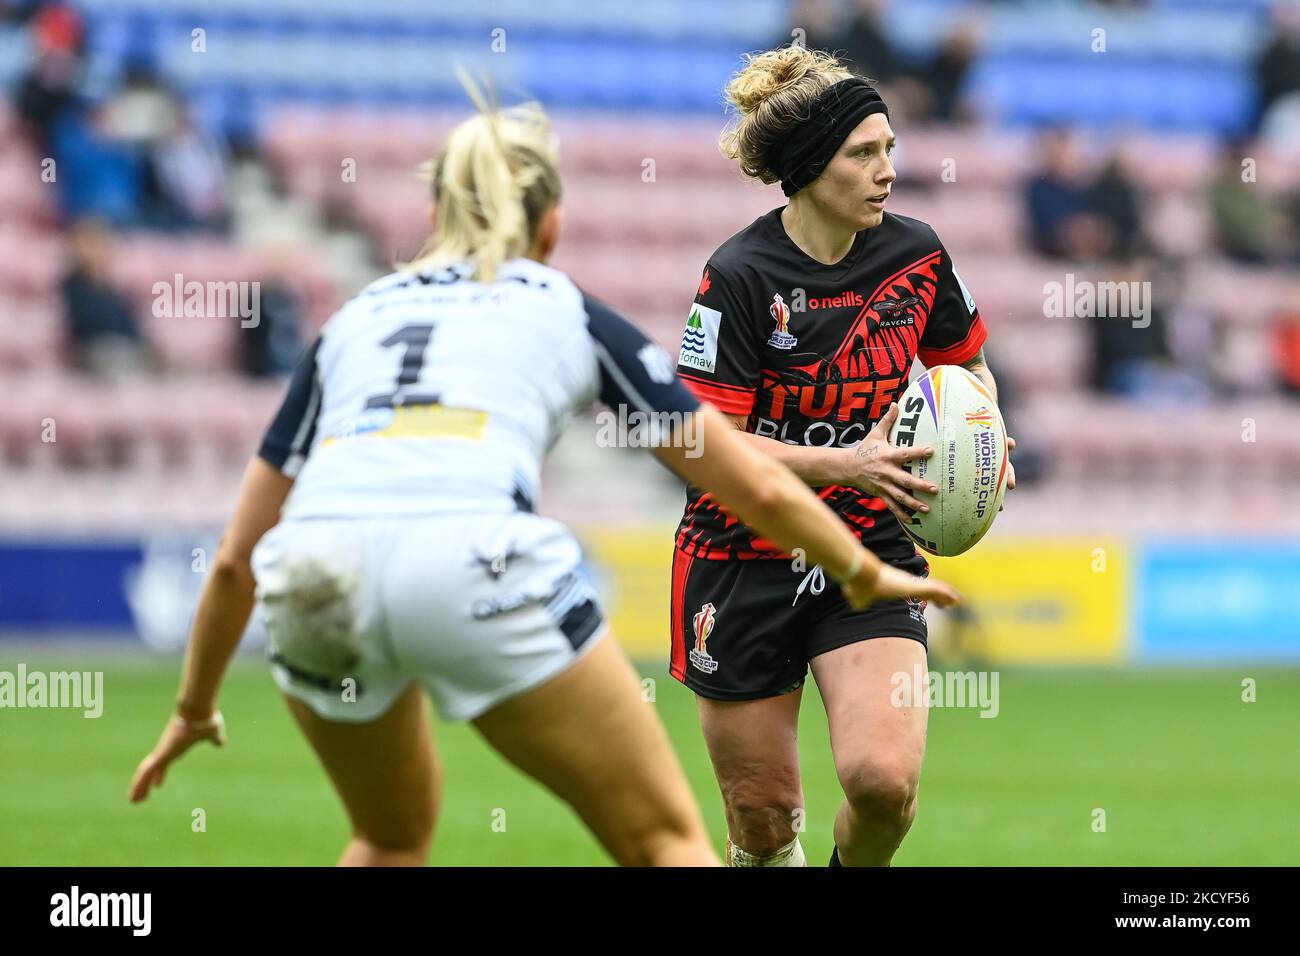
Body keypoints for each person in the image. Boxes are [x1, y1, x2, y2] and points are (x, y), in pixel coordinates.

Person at [129, 80, 959, 868]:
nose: (886, 167)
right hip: (471, 562)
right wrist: (859, 564)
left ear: (435, 213)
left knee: (386, 838)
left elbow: (238, 556)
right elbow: (745, 476)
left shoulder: (354, 320)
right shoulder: (562, 303)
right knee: (666, 837)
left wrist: (193, 706)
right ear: (551, 225)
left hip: (316, 575)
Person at [670, 47, 1013, 867]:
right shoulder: (739, 276)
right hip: (740, 557)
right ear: (809, 164)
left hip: (870, 547)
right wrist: (844, 463)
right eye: (864, 153)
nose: (887, 170)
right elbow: (696, 445)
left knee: (883, 784)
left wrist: (988, 438)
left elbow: (965, 368)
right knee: (764, 819)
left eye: (890, 148)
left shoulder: (918, 254)